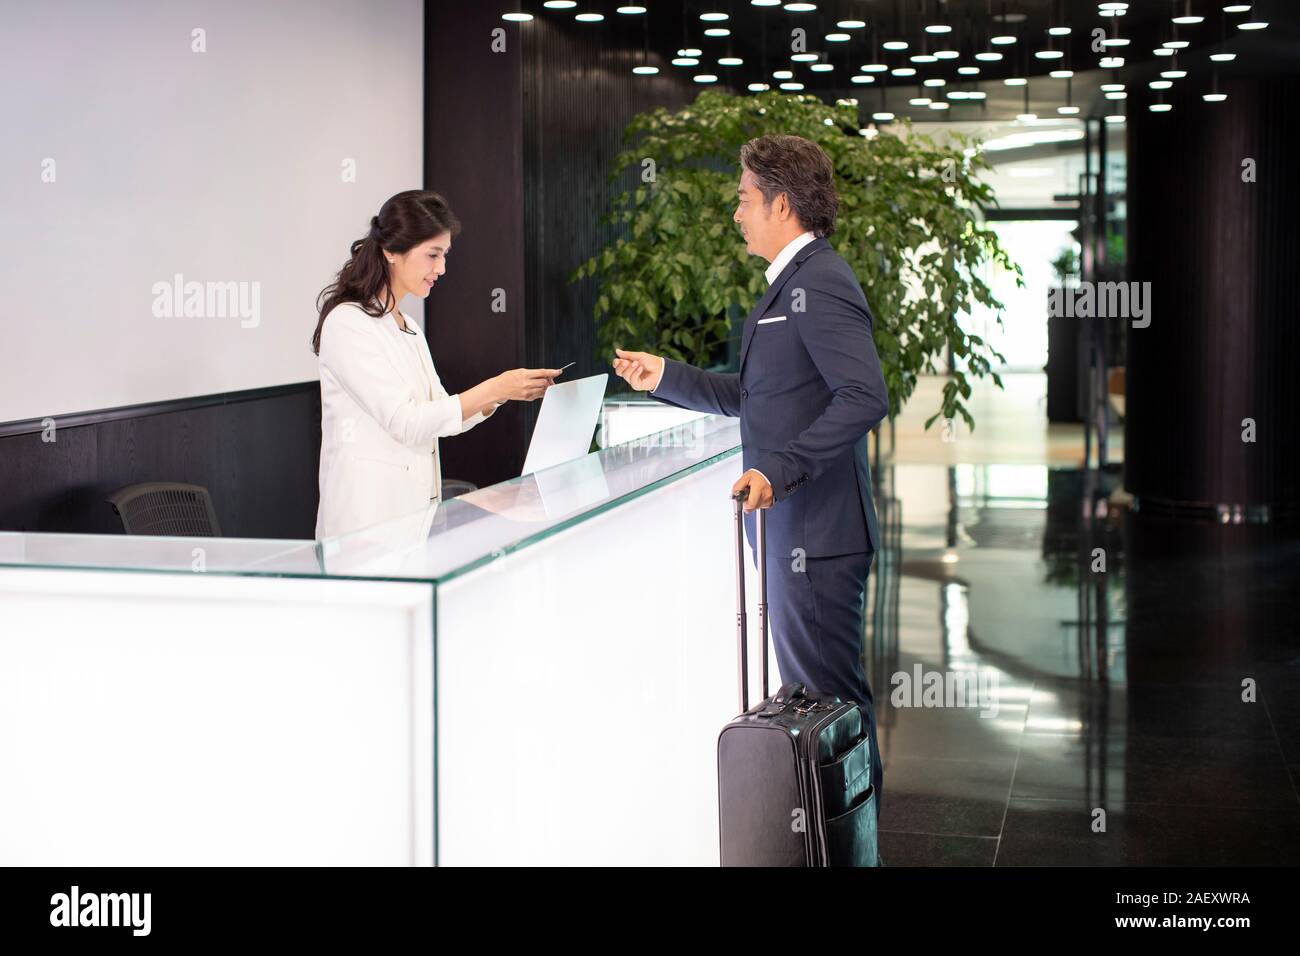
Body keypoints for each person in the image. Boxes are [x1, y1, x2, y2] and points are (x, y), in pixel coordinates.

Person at [612, 134, 889, 822]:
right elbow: (756, 396)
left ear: (782, 204)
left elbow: (864, 395)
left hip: (815, 539)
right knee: (819, 703)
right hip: (799, 534)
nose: (736, 214)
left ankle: (852, 844)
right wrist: (665, 377)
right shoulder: (793, 284)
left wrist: (779, 469)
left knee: (831, 708)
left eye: (743, 198)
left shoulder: (819, 281)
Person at [313, 190, 559, 539]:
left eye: (444, 255)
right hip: (365, 525)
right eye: (432, 255)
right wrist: (496, 387)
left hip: (414, 519)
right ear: (391, 251)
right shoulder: (348, 323)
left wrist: (504, 394)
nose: (441, 268)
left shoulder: (408, 327)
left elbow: (441, 415)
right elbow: (406, 422)